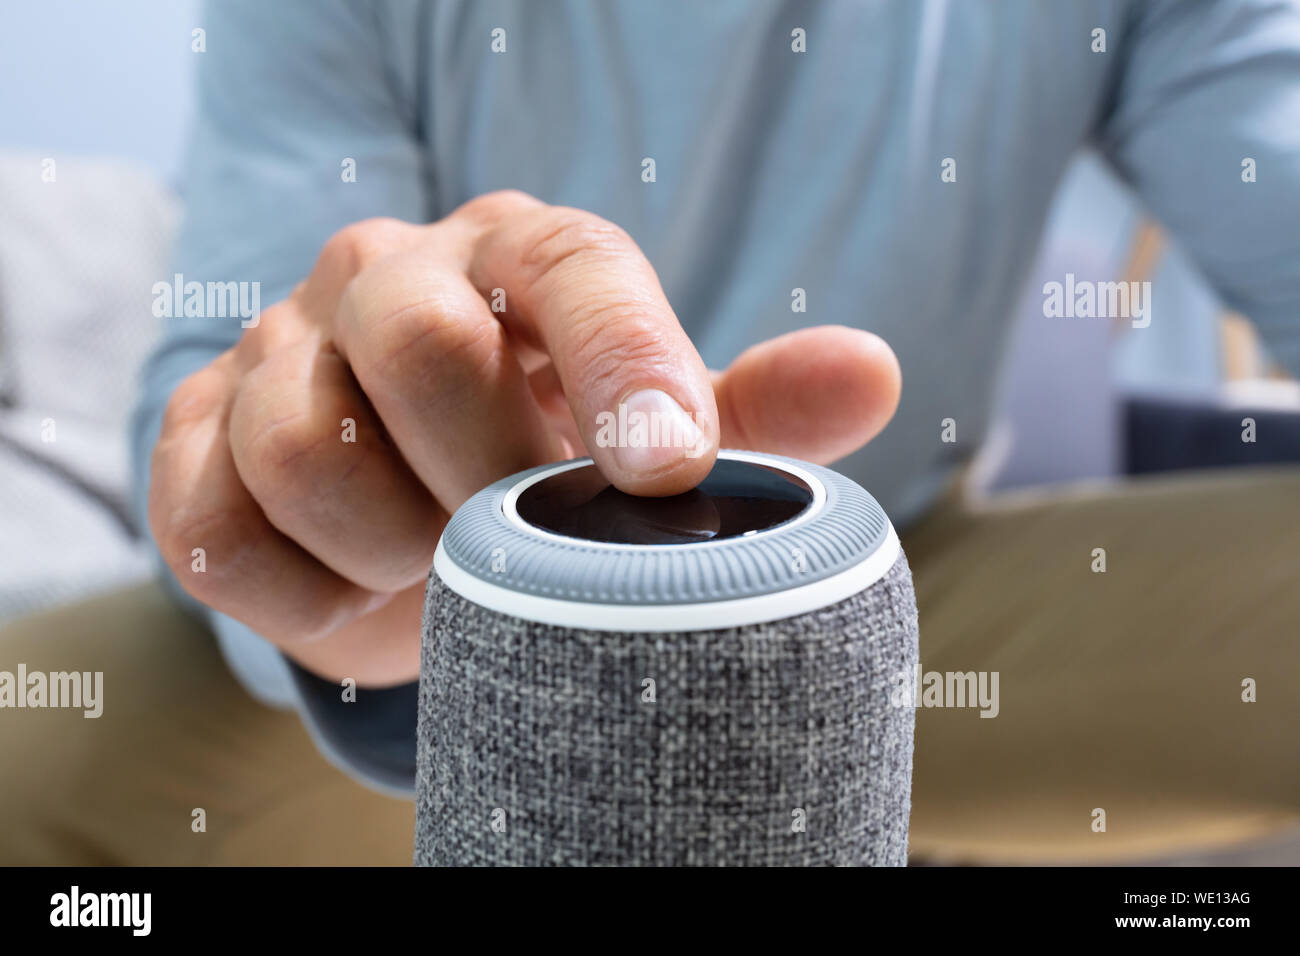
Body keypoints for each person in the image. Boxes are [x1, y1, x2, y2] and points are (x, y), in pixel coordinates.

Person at [2, 0, 1298, 865]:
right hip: (437, 665)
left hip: (893, 612)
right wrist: (324, 526)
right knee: (29, 725)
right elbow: (226, 388)